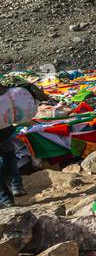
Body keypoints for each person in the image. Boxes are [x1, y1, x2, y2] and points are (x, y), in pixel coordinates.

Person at [0, 74, 49, 208]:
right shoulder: (4, 88)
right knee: (8, 155)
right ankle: (16, 185)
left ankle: (5, 200)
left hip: (4, 128)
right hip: (4, 130)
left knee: (6, 156)